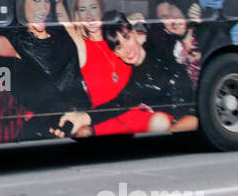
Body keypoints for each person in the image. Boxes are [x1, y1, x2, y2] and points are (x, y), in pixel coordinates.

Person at [56, 10, 198, 137]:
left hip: (197, 106)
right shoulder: (134, 79)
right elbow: (116, 104)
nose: (128, 50)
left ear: (135, 33)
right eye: (119, 47)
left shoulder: (157, 42)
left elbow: (163, 22)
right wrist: (84, 117)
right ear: (115, 53)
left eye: (127, 38)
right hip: (176, 122)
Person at [147, 0, 204, 88]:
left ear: (183, 8)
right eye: (164, 17)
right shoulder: (173, 55)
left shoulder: (207, 34)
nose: (171, 19)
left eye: (172, 10)